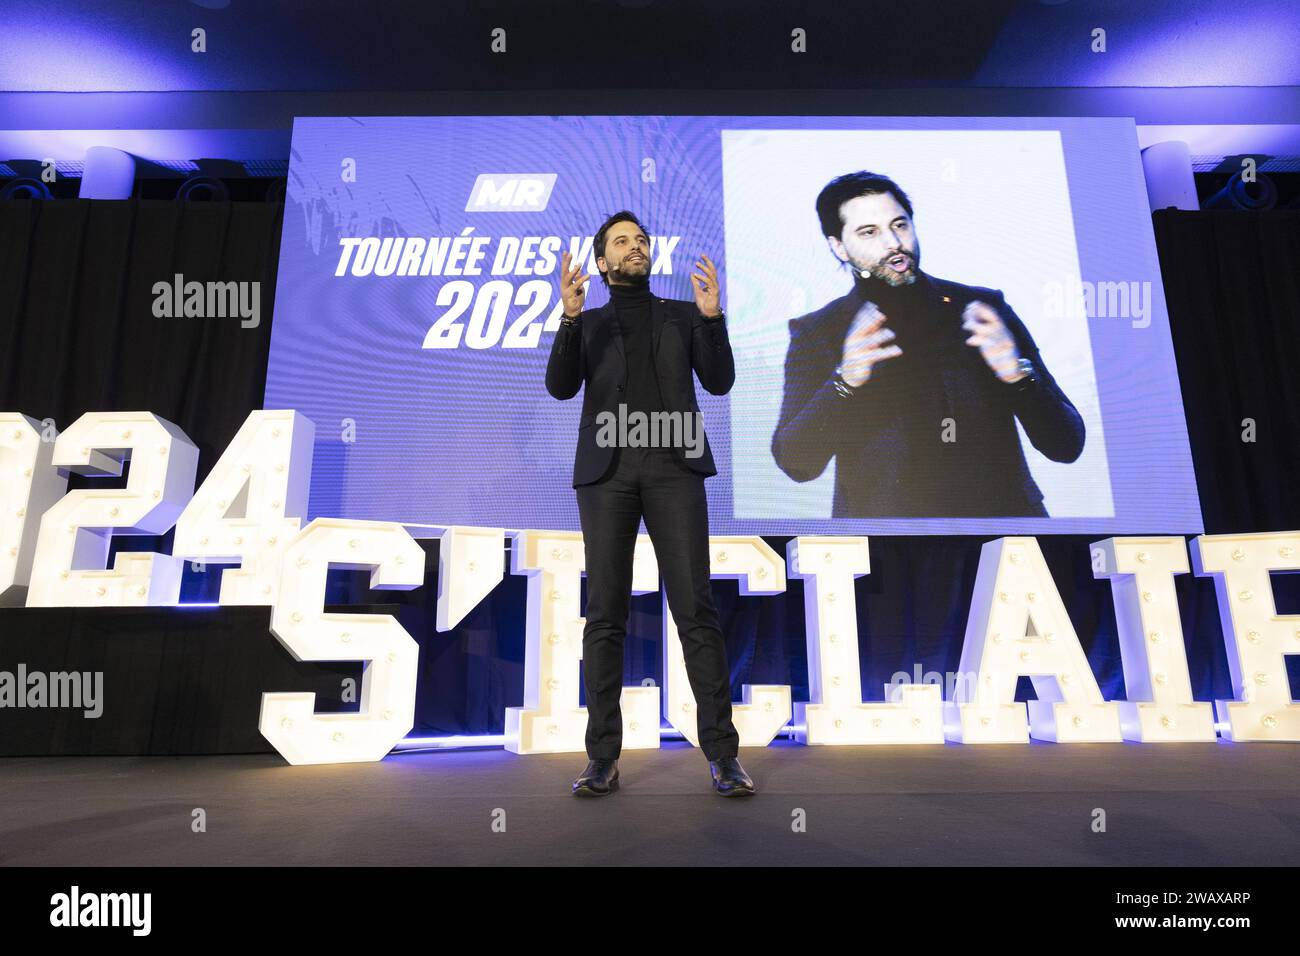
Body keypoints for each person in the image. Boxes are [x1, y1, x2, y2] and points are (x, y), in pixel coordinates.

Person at [546, 210, 756, 797]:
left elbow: (719, 382)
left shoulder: (685, 316)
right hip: (607, 474)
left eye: (640, 240)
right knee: (606, 613)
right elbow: (560, 387)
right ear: (603, 262)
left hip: (674, 469)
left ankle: (723, 756)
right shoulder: (588, 324)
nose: (634, 246)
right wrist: (567, 318)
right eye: (621, 242)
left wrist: (714, 321)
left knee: (695, 608)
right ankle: (602, 759)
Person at [771, 171, 1086, 518]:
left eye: (900, 225)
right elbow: (797, 463)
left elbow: (1067, 445)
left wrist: (1019, 377)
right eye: (869, 232)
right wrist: (844, 381)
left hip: (1003, 532)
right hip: (885, 545)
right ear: (839, 247)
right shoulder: (819, 332)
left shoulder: (981, 309)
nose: (894, 243)